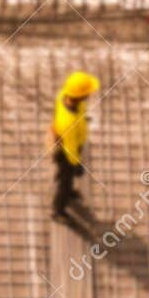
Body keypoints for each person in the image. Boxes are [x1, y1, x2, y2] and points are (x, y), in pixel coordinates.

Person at [51, 71, 99, 221]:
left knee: (66, 174)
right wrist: (76, 164)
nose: (89, 95)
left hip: (65, 140)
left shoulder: (64, 96)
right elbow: (70, 149)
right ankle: (58, 211)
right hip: (66, 150)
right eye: (87, 93)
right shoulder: (69, 122)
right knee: (65, 179)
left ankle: (69, 190)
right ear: (79, 96)